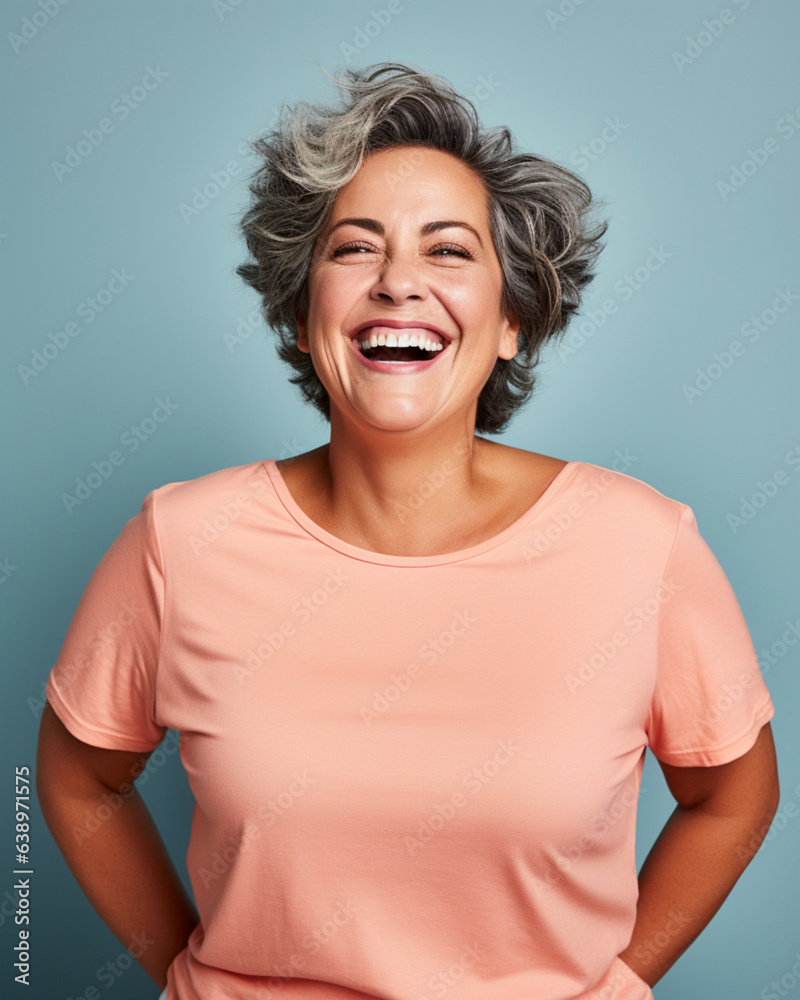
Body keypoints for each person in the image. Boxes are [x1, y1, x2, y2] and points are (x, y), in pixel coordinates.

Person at [36, 62, 779, 1000]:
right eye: (354, 249)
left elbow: (736, 796)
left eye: (449, 251)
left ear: (513, 319)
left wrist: (624, 983)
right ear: (304, 316)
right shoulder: (179, 542)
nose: (397, 283)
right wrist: (185, 976)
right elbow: (74, 778)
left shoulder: (643, 546)